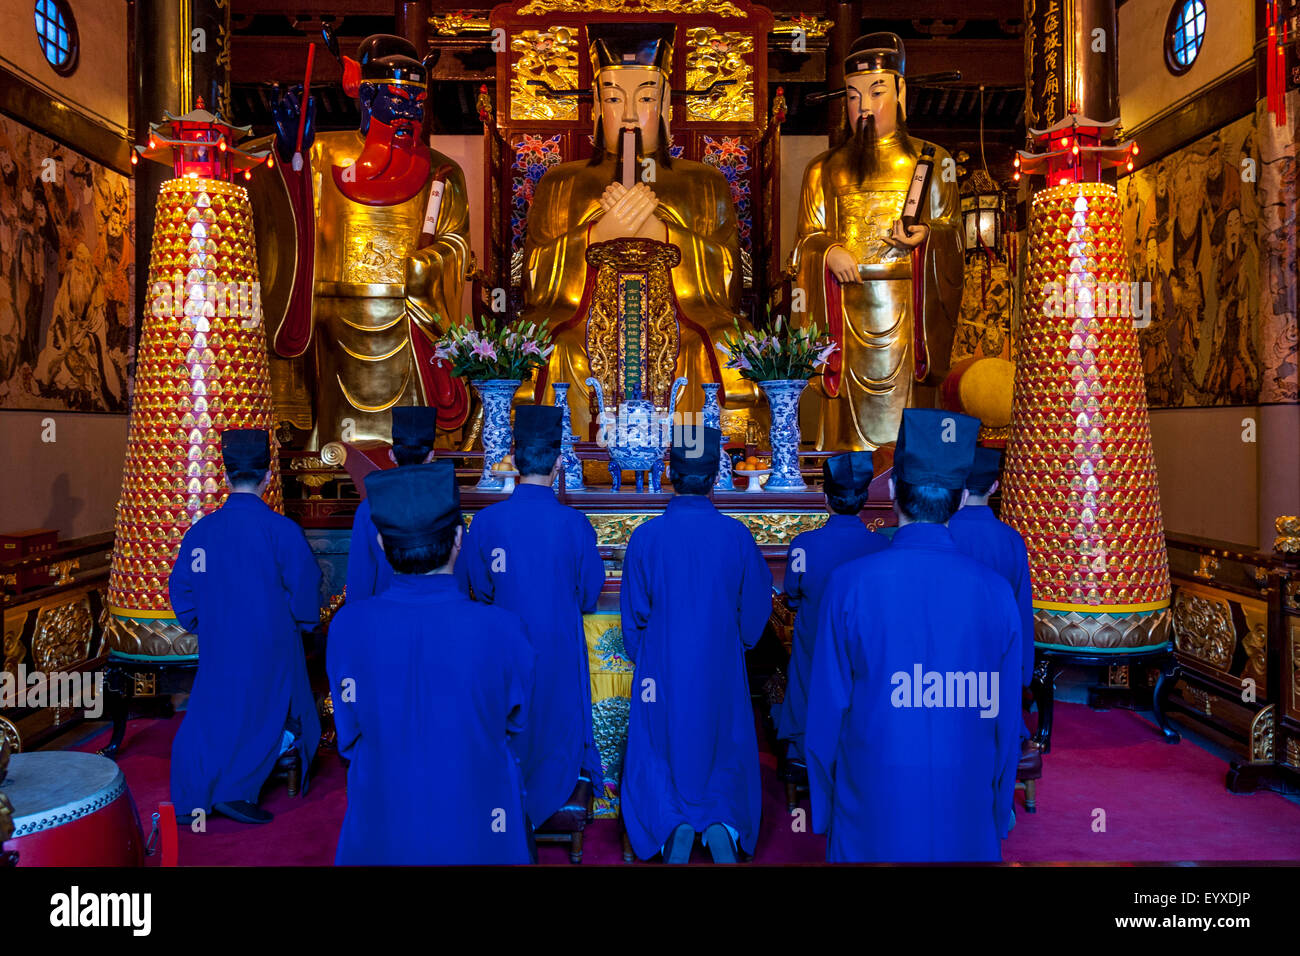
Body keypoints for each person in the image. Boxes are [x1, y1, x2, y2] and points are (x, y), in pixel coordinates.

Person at [806, 409, 1020, 862]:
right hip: (965, 797)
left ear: (889, 489)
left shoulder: (849, 584)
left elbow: (825, 715)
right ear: (962, 500)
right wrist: (999, 809)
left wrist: (825, 810)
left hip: (873, 800)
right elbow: (1006, 720)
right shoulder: (996, 592)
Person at [328, 461, 535, 864]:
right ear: (460, 538)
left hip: (383, 806)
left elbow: (349, 730)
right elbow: (516, 722)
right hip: (478, 810)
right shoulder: (504, 628)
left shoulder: (348, 626)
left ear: (383, 546)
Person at [620, 425, 772, 863]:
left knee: (659, 743)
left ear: (670, 471)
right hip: (720, 661)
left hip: (662, 665)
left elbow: (635, 618)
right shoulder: (736, 536)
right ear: (715, 474)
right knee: (725, 740)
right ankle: (723, 820)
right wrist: (735, 645)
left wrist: (646, 657)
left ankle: (673, 822)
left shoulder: (646, 536)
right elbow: (757, 609)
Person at [460, 404, 605, 831]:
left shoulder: (485, 522)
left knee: (508, 717)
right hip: (558, 645)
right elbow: (590, 593)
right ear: (560, 461)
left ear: (514, 460)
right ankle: (555, 790)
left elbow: (479, 589)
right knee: (558, 715)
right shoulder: (574, 524)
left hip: (502, 647)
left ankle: (506, 797)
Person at [168, 429, 322, 825]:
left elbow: (183, 586)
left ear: (225, 474)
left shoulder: (200, 532)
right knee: (268, 710)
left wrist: (203, 621)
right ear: (269, 476)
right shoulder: (281, 530)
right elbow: (304, 585)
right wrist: (299, 621)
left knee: (210, 710)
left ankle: (193, 796)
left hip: (220, 642)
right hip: (273, 643)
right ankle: (235, 791)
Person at [776, 451, 889, 783]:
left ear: (825, 498)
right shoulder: (881, 547)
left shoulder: (803, 545)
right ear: (865, 499)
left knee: (805, 676)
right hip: (863, 648)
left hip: (815, 643)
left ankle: (803, 750)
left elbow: (792, 594)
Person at [345, 405, 439, 601]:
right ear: (431, 456)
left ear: (391, 455)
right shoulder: (445, 502)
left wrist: (357, 615)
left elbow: (361, 571)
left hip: (385, 608)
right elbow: (460, 568)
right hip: (437, 608)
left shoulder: (369, 506)